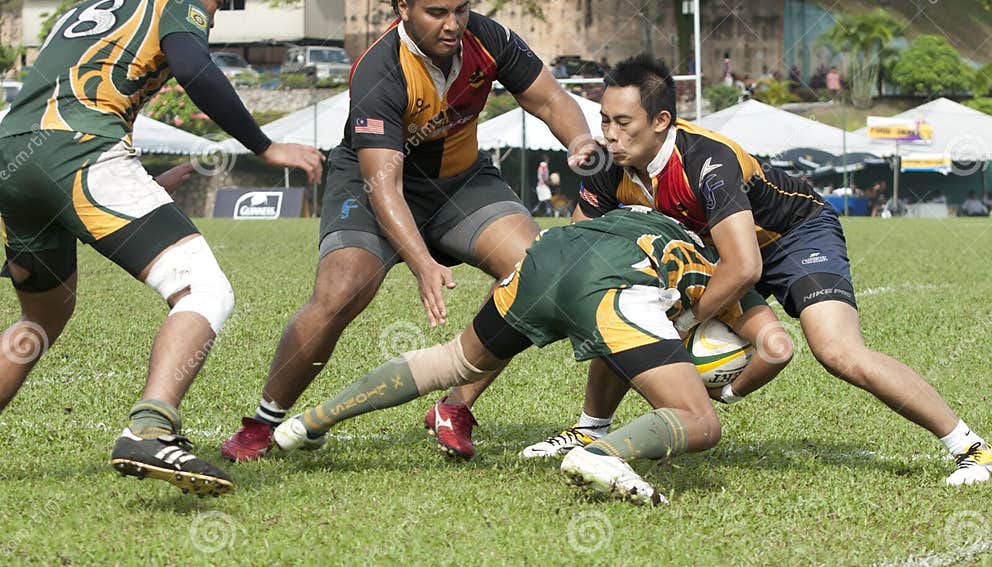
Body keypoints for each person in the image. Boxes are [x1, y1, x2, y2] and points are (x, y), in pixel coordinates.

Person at [525, 54, 992, 487]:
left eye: (623, 123)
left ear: (661, 121)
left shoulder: (709, 159)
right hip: (714, 251)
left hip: (794, 237)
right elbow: (581, 246)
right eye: (604, 120)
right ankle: (589, 432)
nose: (609, 133)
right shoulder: (611, 164)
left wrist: (683, 320)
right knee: (627, 302)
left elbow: (745, 266)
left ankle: (970, 447)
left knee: (838, 352)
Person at [221, 0, 597, 462]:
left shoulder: (490, 39)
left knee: (536, 272)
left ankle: (455, 406)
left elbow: (551, 98)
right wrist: (421, 261)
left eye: (462, 8)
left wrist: (578, 139)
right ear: (403, 8)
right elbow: (385, 186)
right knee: (343, 290)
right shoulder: (379, 71)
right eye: (437, 12)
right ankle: (262, 424)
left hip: (461, 181)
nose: (453, 24)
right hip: (373, 181)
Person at [0, 0, 324, 496]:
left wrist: (135, 178)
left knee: (43, 316)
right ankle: (150, 429)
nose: (212, 19)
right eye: (218, 4)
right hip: (79, 152)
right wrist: (263, 146)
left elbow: (72, 92)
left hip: (14, 160)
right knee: (205, 290)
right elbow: (194, 69)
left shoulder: (84, 11)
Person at [272, 207, 793, 505]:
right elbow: (776, 346)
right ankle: (598, 453)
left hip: (546, 256)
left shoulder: (639, 215)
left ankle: (310, 422)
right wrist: (724, 388)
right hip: (613, 287)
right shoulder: (713, 266)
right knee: (698, 422)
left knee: (453, 360)